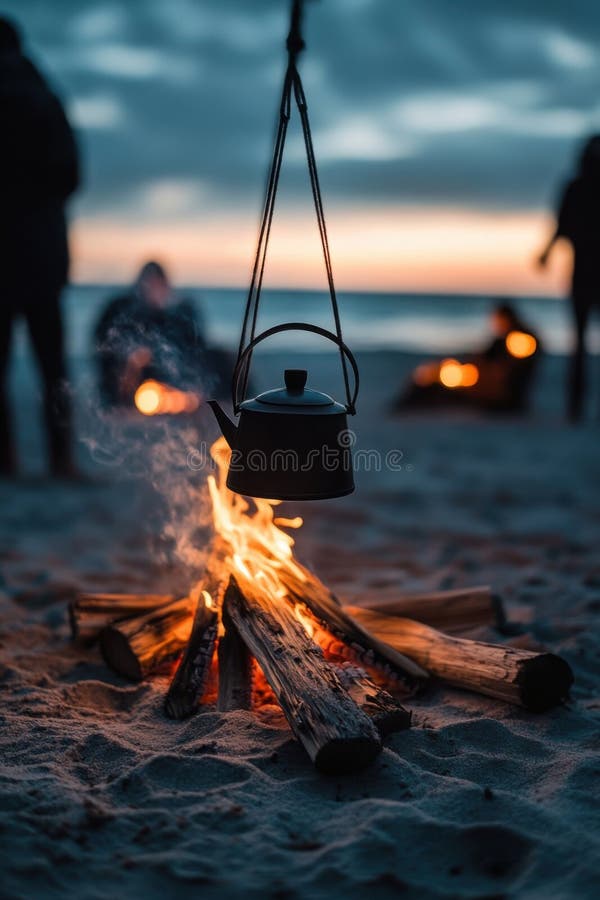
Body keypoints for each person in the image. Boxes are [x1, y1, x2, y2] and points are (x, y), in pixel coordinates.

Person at [0, 17, 80, 476]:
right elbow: (71, 176)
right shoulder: (45, 98)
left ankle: (4, 459)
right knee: (53, 366)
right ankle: (61, 459)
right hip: (44, 258)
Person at [94, 261, 232, 408]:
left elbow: (192, 346)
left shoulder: (176, 313)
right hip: (131, 380)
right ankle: (125, 404)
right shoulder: (121, 309)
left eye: (158, 285)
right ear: (140, 284)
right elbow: (103, 342)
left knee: (222, 358)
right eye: (150, 284)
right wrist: (132, 353)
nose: (154, 290)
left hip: (167, 378)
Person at [538, 134, 600, 422]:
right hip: (583, 275)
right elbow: (561, 224)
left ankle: (576, 410)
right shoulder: (576, 187)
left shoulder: (577, 186)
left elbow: (561, 226)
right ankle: (575, 409)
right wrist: (547, 252)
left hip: (585, 275)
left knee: (578, 344)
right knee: (577, 344)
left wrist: (548, 252)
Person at [394, 301, 541, 413]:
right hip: (495, 394)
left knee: (434, 386)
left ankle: (404, 407)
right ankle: (405, 405)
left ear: (506, 318)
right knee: (432, 377)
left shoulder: (517, 341)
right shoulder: (505, 341)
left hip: (497, 399)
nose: (495, 325)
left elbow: (498, 370)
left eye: (497, 320)